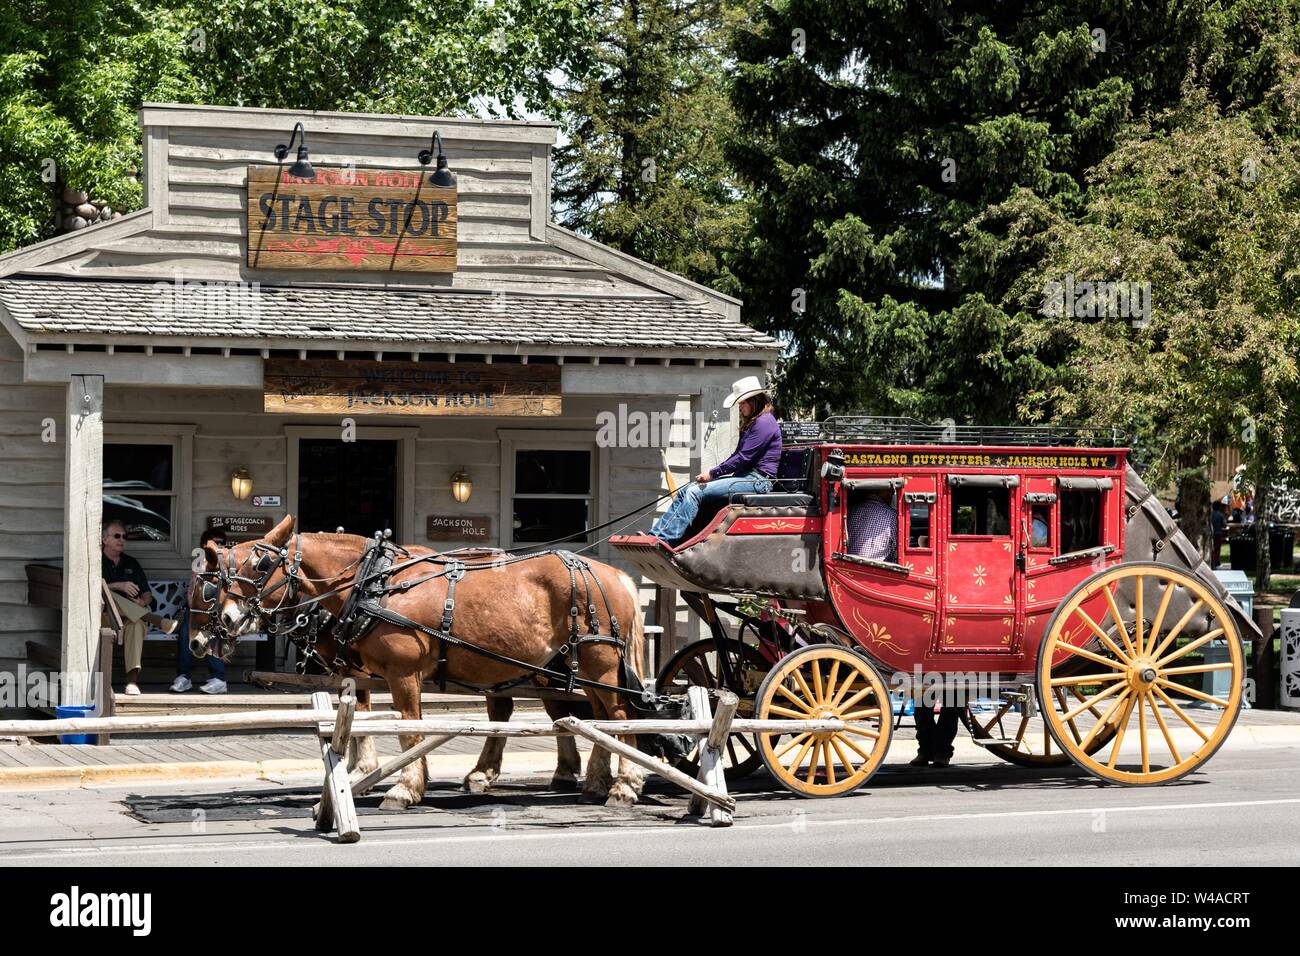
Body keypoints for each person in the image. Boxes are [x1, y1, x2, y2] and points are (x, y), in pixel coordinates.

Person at [650, 376, 781, 544]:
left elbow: (743, 457)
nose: (740, 407)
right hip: (746, 477)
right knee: (688, 489)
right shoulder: (755, 423)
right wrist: (713, 473)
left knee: (694, 492)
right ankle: (656, 535)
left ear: (754, 400)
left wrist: (712, 474)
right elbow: (737, 455)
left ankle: (668, 540)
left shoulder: (764, 422)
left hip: (758, 481)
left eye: (742, 403)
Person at [102, 518, 177, 696]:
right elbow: (90, 584)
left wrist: (142, 602)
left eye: (124, 536)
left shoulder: (131, 563)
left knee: (136, 625)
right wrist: (118, 586)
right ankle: (155, 619)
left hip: (130, 617)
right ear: (104, 539)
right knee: (108, 593)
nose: (122, 540)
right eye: (117, 536)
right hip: (103, 617)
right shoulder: (95, 560)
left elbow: (147, 593)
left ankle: (131, 682)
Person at [171, 528, 228, 694]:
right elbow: (192, 593)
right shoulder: (200, 565)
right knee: (185, 632)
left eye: (222, 543)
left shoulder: (229, 564)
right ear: (205, 545)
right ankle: (184, 677)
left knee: (213, 629)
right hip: (198, 612)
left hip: (221, 614)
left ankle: (219, 679)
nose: (220, 546)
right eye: (216, 542)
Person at [847, 489, 897, 561]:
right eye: (892, 492)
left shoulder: (850, 510)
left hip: (847, 565)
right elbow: (897, 551)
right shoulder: (892, 515)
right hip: (878, 568)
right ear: (887, 492)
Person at [1210, 500, 1227, 570]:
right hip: (1218, 533)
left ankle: (1212, 561)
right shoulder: (1220, 515)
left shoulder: (1210, 515)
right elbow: (1224, 525)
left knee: (1211, 547)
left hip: (1211, 533)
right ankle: (1216, 562)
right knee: (1217, 548)